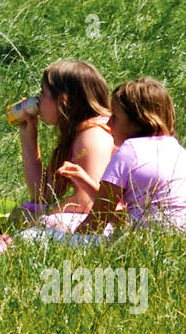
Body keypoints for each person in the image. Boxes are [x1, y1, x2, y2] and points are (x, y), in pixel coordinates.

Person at [77, 78, 186, 234]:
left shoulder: (129, 151)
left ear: (138, 122)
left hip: (149, 241)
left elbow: (95, 223)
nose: (109, 124)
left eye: (115, 117)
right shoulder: (181, 153)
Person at [14, 60, 115, 232]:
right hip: (97, 216)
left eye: (43, 93)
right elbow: (43, 195)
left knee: (31, 220)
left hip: (110, 222)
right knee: (22, 214)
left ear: (62, 102)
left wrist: (42, 217)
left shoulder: (92, 137)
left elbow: (88, 201)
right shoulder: (78, 134)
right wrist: (28, 135)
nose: (38, 100)